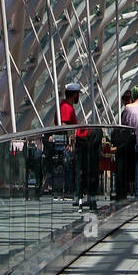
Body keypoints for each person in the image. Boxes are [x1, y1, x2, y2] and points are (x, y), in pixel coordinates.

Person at [59, 80, 97, 210]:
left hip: (77, 143)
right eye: (77, 94)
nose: (78, 97)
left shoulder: (68, 106)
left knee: (80, 171)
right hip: (74, 144)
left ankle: (80, 197)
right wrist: (71, 141)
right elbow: (64, 125)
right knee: (80, 171)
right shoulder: (66, 107)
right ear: (74, 94)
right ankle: (80, 196)